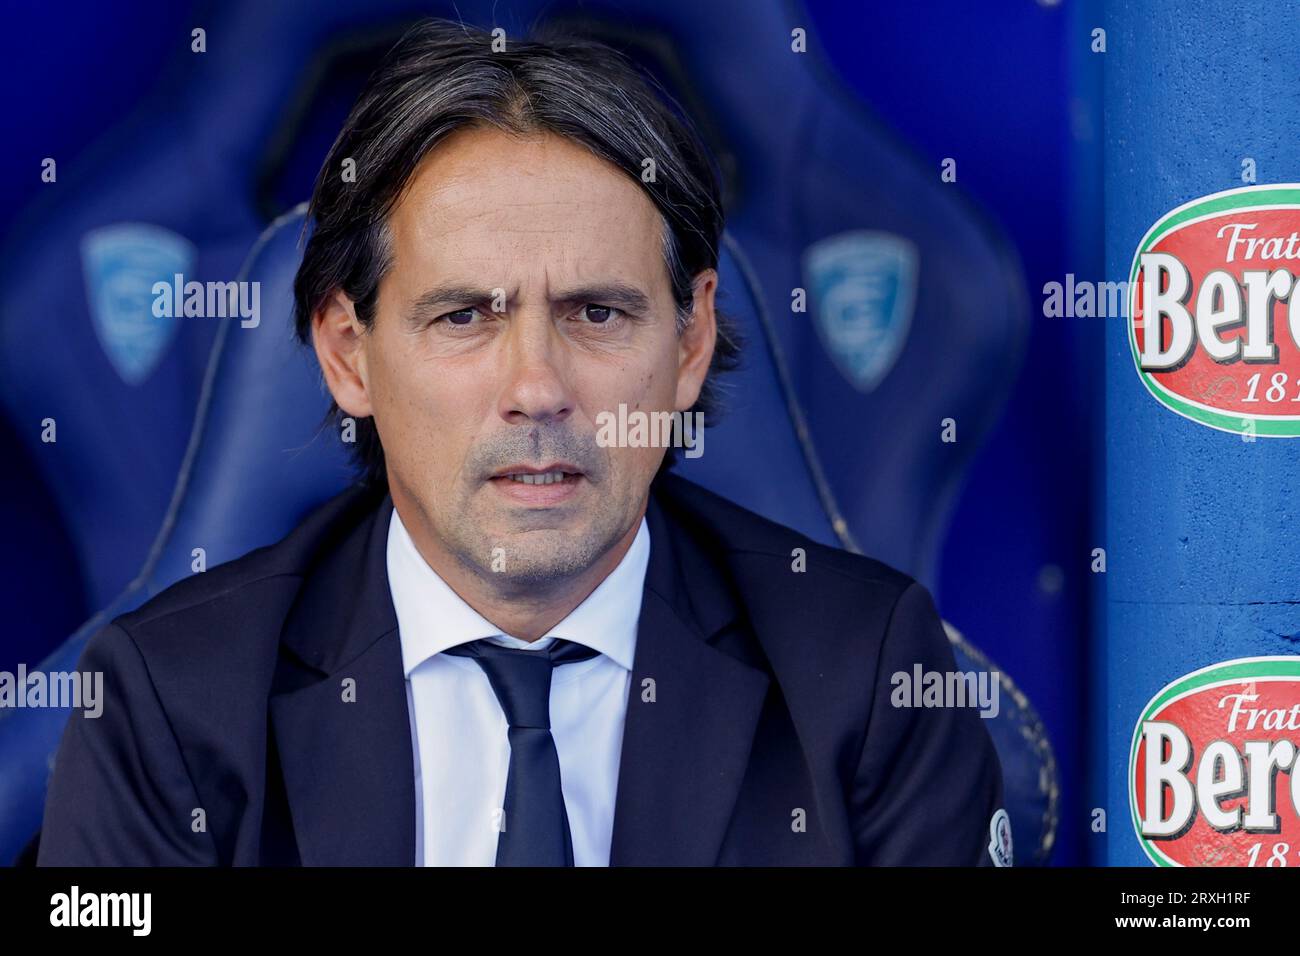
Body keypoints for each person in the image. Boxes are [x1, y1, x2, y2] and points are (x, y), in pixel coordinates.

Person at [37, 17, 1006, 866]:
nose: (537, 387)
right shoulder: (167, 700)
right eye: (463, 316)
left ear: (690, 342)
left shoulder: (873, 677)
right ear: (347, 356)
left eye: (596, 311)